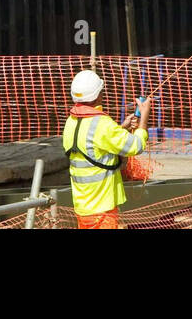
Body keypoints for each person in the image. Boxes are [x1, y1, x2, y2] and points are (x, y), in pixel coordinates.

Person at [64, 69, 151, 229]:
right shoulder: (102, 124)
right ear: (98, 94)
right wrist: (144, 117)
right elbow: (136, 146)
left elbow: (94, 145)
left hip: (83, 205)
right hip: (101, 207)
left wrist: (120, 128)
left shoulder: (71, 121)